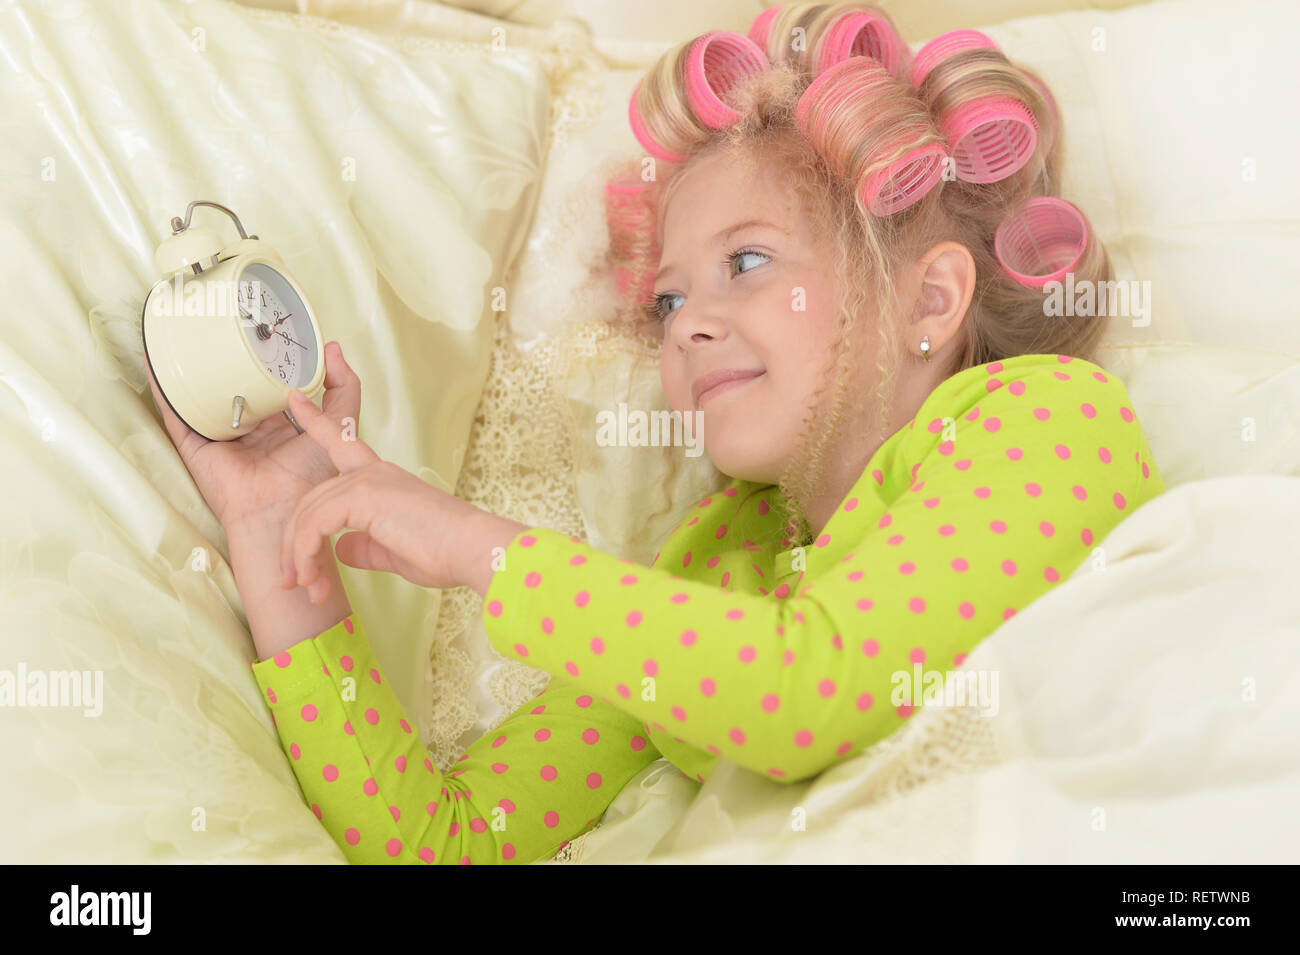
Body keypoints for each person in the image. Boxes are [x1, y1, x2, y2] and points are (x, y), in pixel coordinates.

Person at [149, 3, 1166, 864]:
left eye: (749, 263)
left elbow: (805, 685)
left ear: (929, 299)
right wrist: (276, 533)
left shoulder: (1046, 416)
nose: (688, 323)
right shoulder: (711, 574)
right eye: (669, 297)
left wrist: (472, 544)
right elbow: (443, 839)